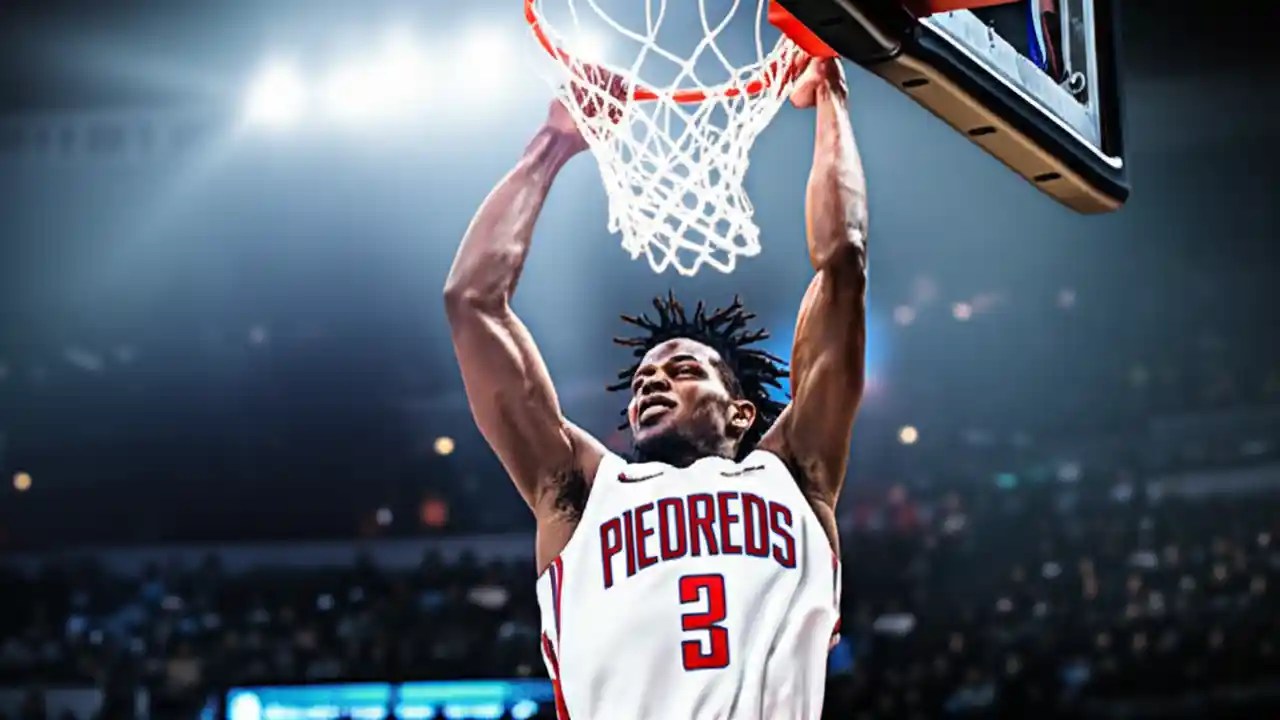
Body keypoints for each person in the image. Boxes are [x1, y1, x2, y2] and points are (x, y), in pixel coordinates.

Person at [444, 55, 867, 719]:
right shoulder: (580, 493)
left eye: (683, 370)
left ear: (740, 412)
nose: (652, 384)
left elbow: (843, 264)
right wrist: (555, 142)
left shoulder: (795, 474)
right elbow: (472, 302)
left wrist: (831, 97)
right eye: (643, 379)